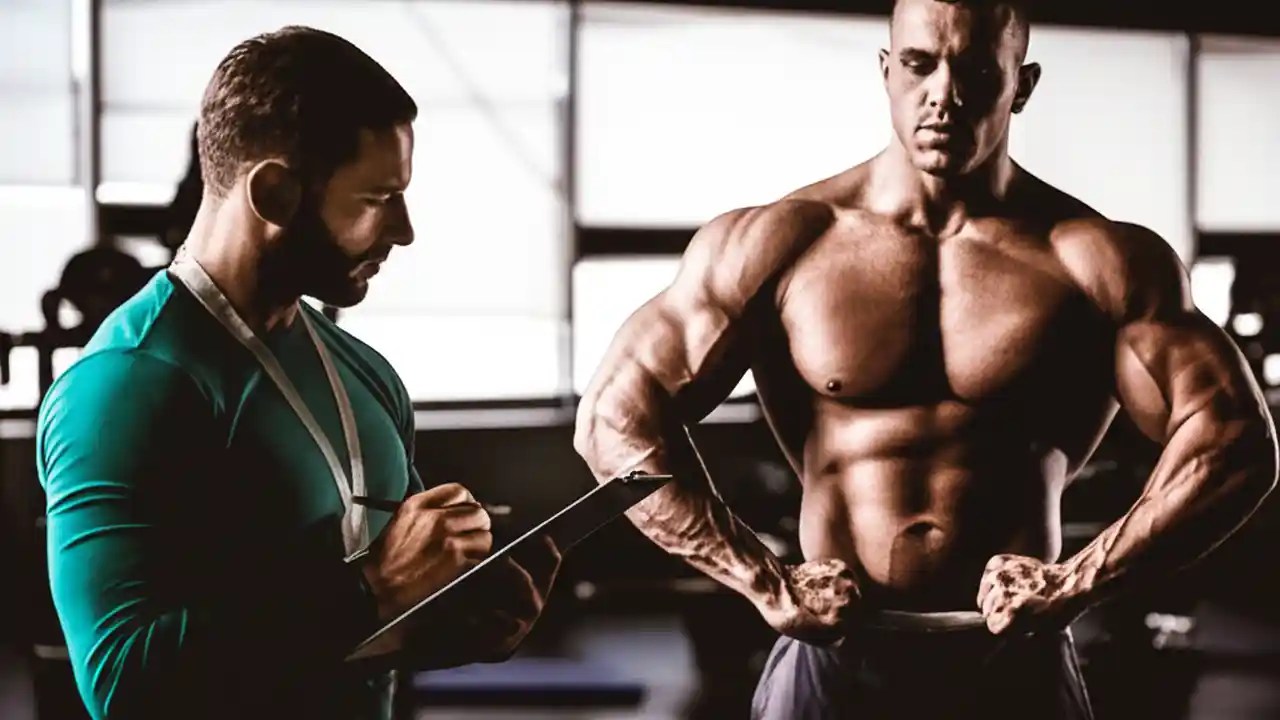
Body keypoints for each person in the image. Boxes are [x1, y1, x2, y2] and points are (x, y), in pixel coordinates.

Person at [572, 0, 1278, 717]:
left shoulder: (1094, 261)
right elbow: (613, 415)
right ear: (886, 72)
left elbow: (1234, 442)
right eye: (918, 64)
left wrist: (1079, 581)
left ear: (1021, 85)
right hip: (833, 658)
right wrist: (763, 580)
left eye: (975, 69)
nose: (944, 94)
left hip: (1012, 659)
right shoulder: (784, 244)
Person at [37, 26, 560, 720]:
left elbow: (354, 636)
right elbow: (123, 685)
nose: (403, 230)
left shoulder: (367, 376)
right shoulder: (129, 384)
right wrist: (373, 585)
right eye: (377, 199)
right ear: (276, 193)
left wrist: (455, 619)